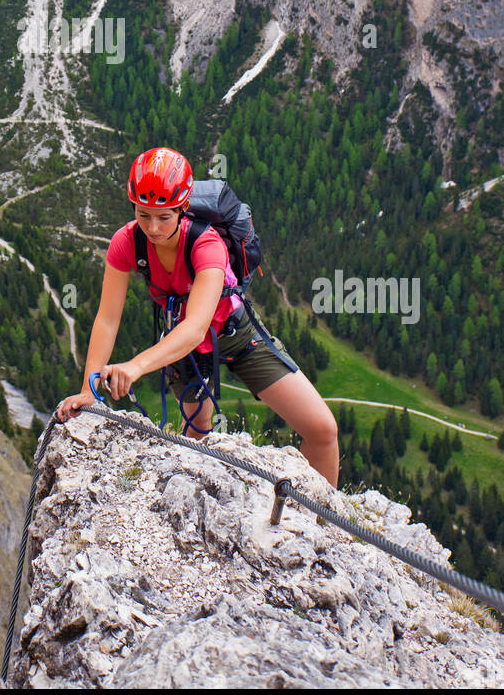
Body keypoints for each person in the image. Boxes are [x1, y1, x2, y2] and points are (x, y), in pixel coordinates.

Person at [57, 147, 340, 488]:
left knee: (323, 430)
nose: (153, 227)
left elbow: (196, 328)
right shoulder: (126, 242)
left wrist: (134, 367)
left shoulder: (207, 244)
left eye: (164, 217)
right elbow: (108, 317)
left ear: (184, 208)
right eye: (144, 215)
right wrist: (88, 389)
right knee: (196, 438)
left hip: (230, 331)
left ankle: (325, 523)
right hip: (182, 345)